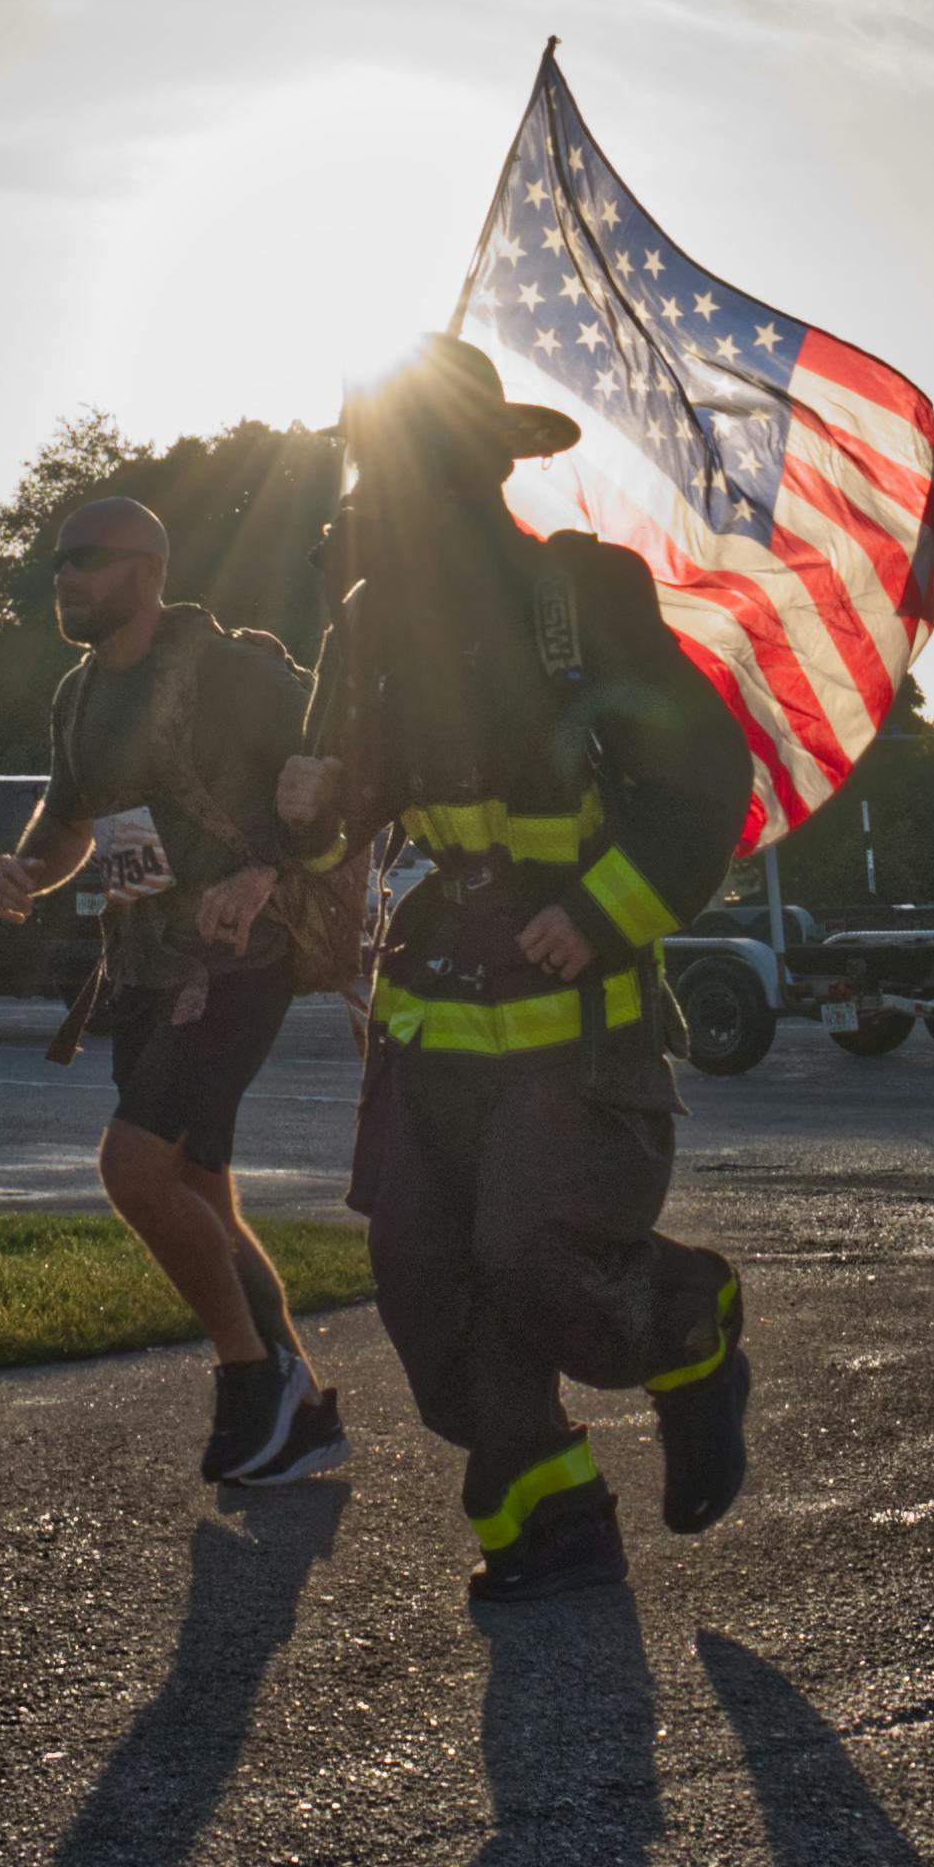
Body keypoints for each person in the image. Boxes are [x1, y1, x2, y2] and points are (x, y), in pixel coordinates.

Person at [277, 337, 753, 1603]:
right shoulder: (366, 619)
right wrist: (312, 809)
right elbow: (341, 812)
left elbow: (703, 784)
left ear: (463, 474)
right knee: (423, 1282)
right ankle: (547, 1520)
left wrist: (598, 913)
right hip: (431, 1021)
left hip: (571, 1025)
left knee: (537, 1256)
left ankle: (688, 1327)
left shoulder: (580, 599)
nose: (366, 495)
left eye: (388, 469)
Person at [0, 496, 348, 1487]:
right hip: (140, 968)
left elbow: (337, 776)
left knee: (134, 1170)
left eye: (87, 561)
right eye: (58, 561)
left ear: (147, 570)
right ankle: (305, 1411)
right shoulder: (78, 694)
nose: (64, 577)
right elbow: (67, 825)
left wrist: (263, 868)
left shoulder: (230, 672)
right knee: (198, 1196)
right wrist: (19, 872)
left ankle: (249, 1382)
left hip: (236, 963)